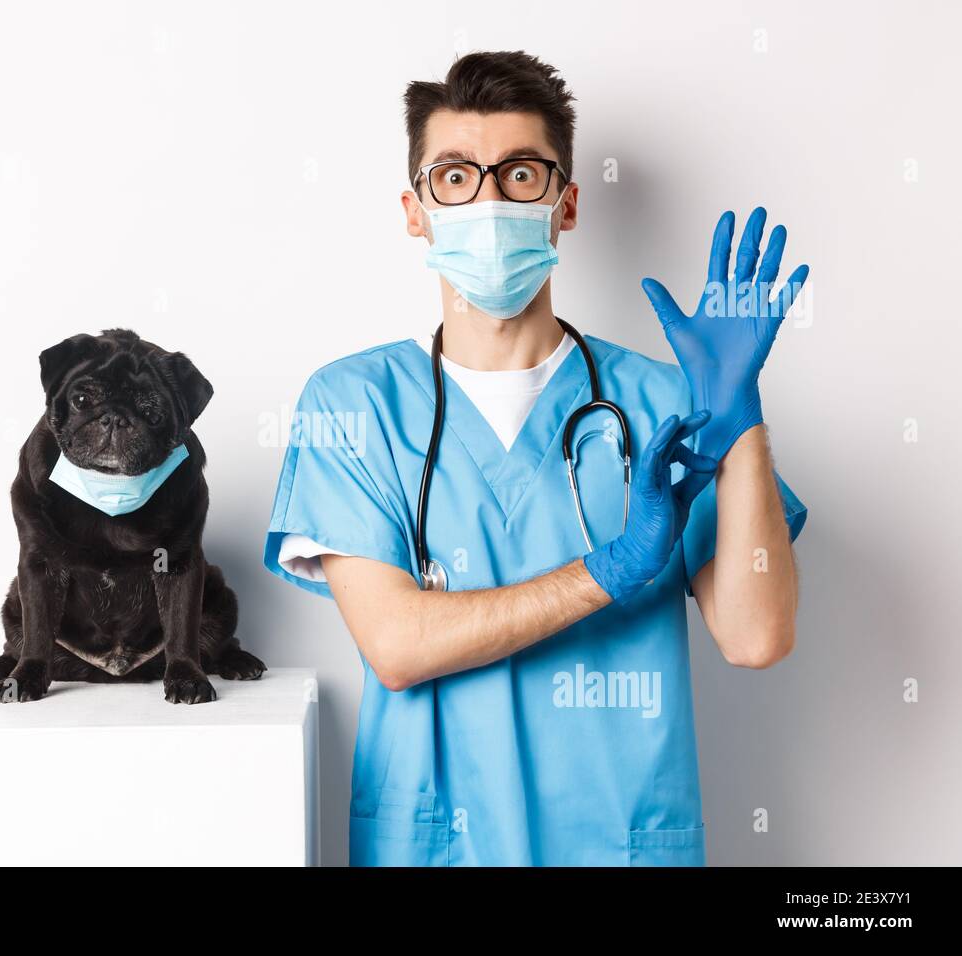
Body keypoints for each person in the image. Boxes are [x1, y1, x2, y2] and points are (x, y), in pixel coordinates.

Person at [262, 50, 809, 866]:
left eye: (520, 175)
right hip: (435, 847)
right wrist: (610, 569)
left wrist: (740, 425)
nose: (487, 201)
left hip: (619, 842)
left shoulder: (665, 398)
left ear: (566, 204)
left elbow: (756, 637)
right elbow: (400, 647)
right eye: (454, 177)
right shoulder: (354, 405)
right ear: (415, 210)